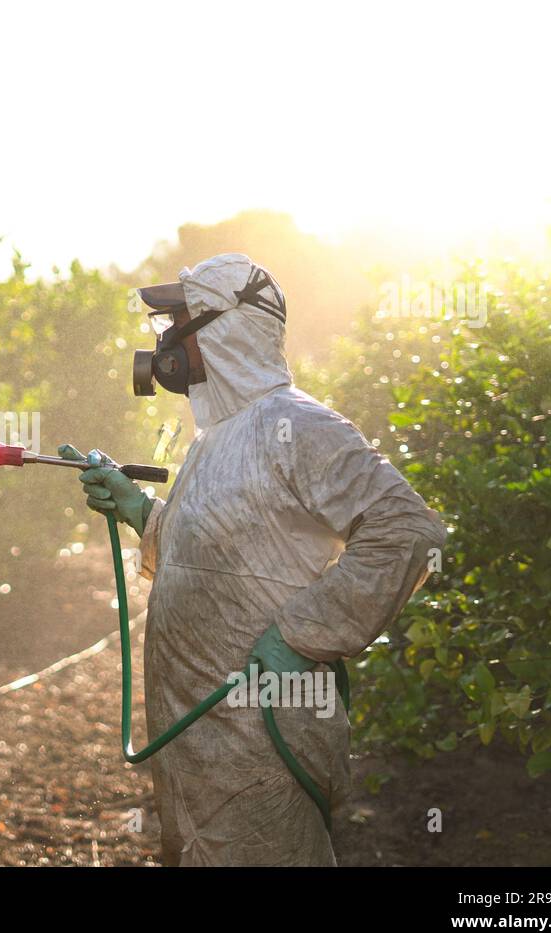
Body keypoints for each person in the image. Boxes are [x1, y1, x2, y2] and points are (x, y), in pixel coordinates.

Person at [62, 253, 446, 866]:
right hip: (199, 740)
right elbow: (219, 558)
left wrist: (303, 635)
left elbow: (408, 530)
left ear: (224, 326)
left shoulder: (295, 425)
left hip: (261, 742)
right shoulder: (218, 439)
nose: (163, 343)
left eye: (174, 322)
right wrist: (140, 511)